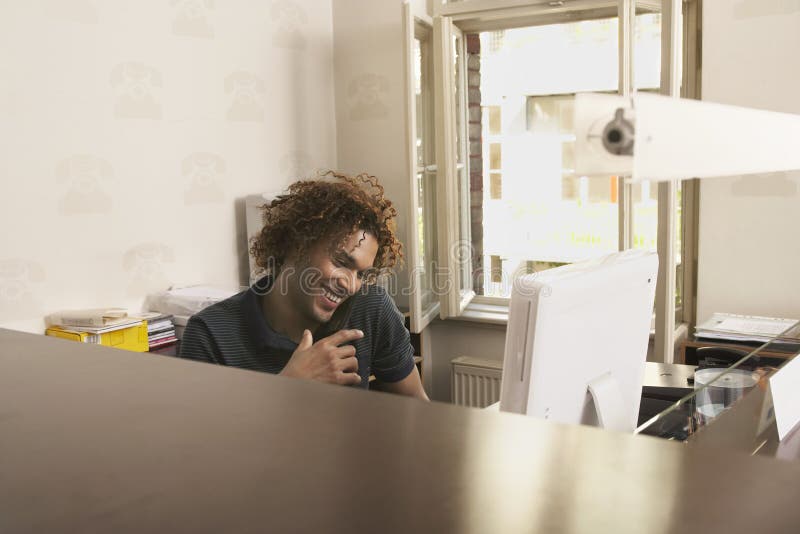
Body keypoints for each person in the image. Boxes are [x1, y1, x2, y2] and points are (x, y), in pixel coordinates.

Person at [179, 171, 429, 400]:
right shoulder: (209, 334)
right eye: (340, 261)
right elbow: (201, 441)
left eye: (361, 273)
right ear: (297, 244)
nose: (350, 284)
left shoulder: (370, 309)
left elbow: (418, 412)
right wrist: (288, 385)